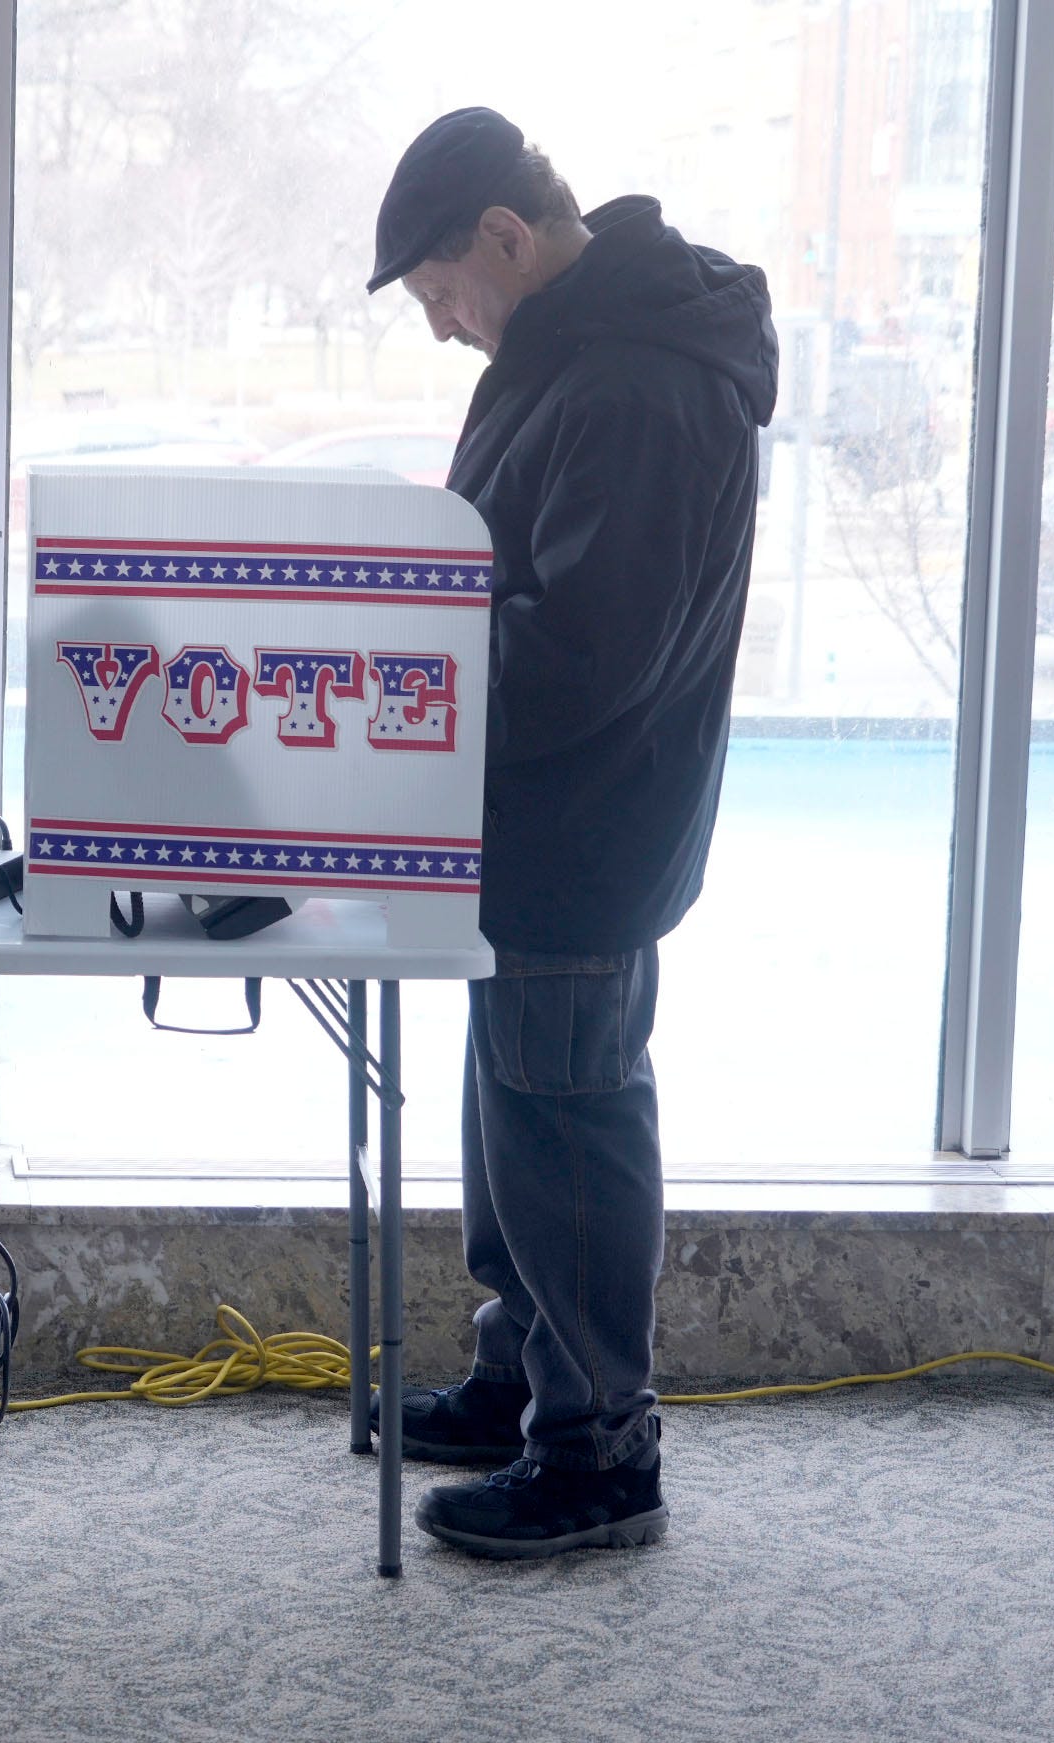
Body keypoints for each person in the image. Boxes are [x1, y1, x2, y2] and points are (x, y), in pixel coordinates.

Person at [364, 110, 777, 1558]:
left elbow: (586, 652)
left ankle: (601, 1445)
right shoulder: (573, 357)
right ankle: (522, 1370)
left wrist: (407, 663)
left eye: (441, 298)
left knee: (568, 1116)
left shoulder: (639, 388)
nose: (442, 331)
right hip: (541, 815)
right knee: (520, 1104)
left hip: (581, 818)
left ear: (504, 240)